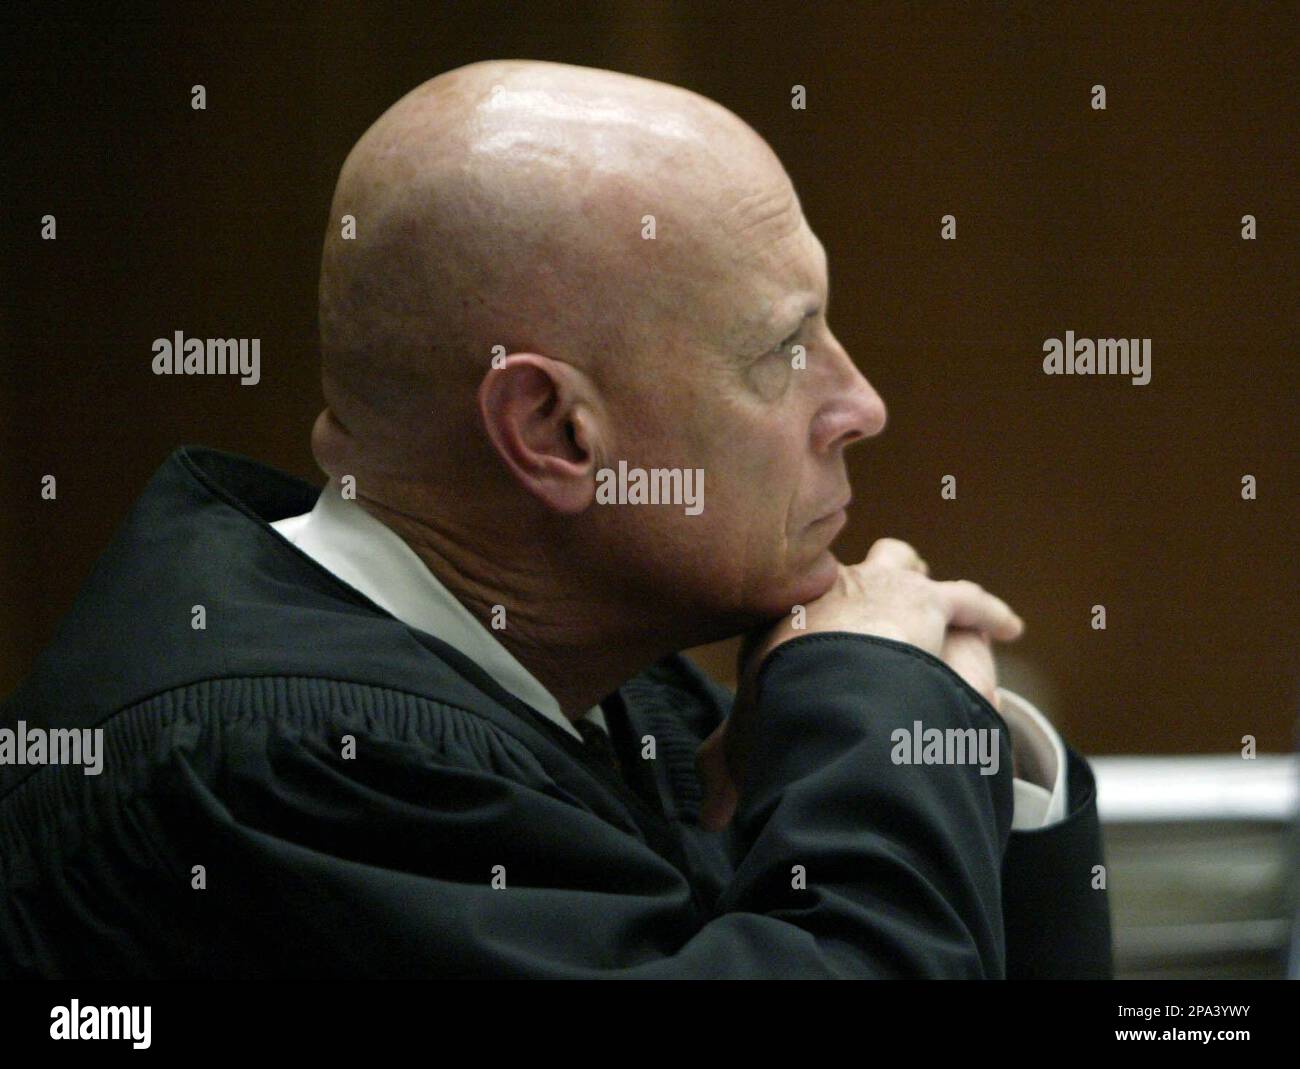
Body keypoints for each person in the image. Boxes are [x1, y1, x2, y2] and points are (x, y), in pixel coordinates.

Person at [0, 60, 1110, 978]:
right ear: (554, 431)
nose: (860, 405)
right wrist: (883, 716)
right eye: (783, 349)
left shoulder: (589, 664)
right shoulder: (292, 772)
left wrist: (964, 742)